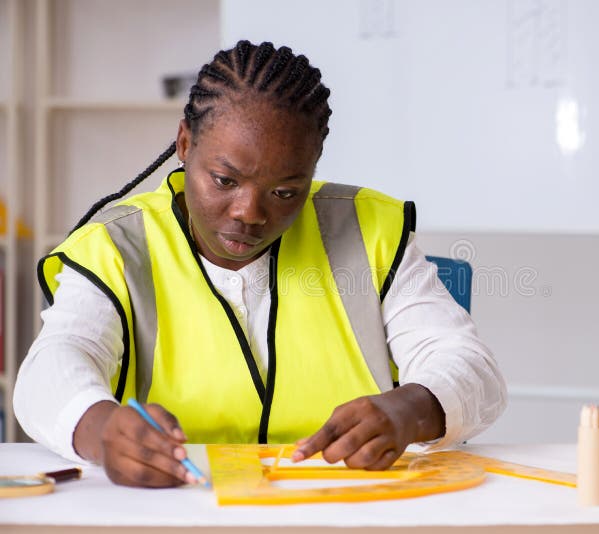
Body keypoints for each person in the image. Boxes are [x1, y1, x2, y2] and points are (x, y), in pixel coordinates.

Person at [14, 40, 507, 487]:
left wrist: (410, 410)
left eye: (285, 191)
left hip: (346, 509)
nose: (249, 213)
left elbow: (472, 368)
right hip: (173, 508)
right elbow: (50, 370)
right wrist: (101, 430)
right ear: (185, 145)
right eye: (225, 181)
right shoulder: (116, 246)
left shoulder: (368, 231)